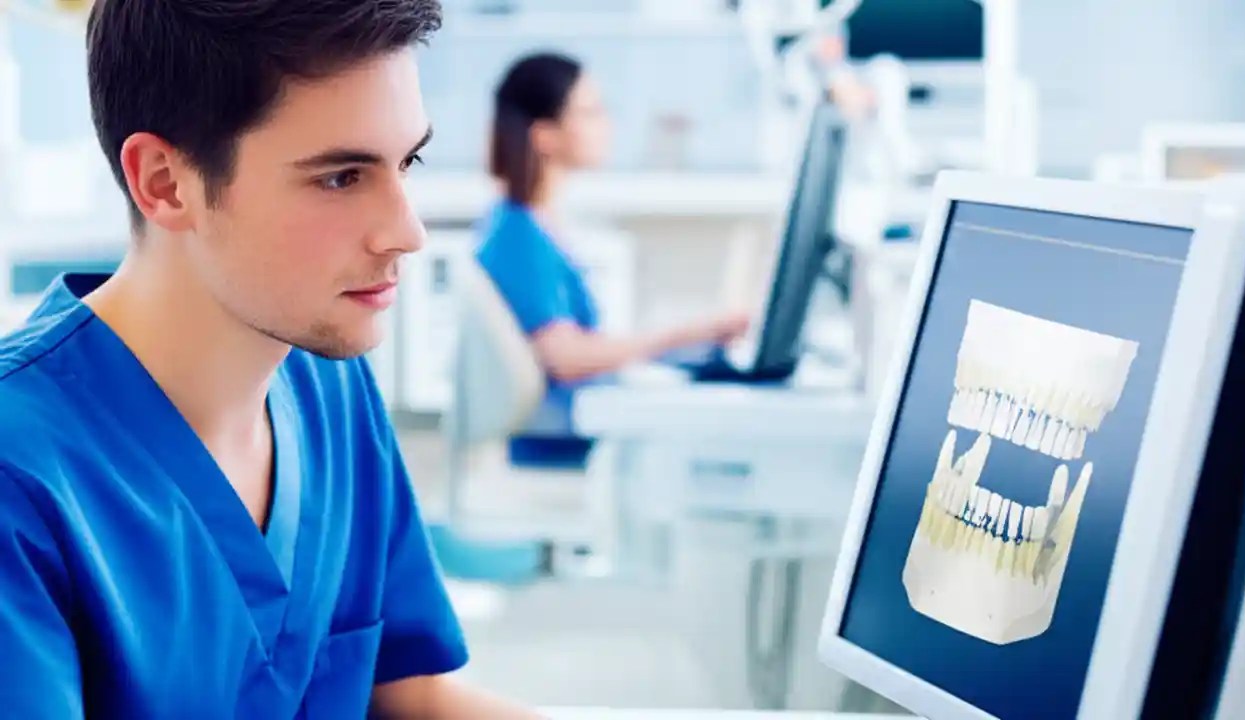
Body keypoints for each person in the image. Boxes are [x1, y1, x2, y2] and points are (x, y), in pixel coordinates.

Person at [0, 1, 541, 718]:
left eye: (407, 162)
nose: (406, 231)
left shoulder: (329, 382)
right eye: (342, 177)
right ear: (164, 181)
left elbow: (406, 695)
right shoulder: (22, 475)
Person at [476, 52, 751, 469]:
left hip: (584, 432)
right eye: (590, 112)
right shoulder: (518, 237)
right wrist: (685, 334)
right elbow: (566, 359)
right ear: (545, 135)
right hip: (565, 449)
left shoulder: (536, 226)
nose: (606, 125)